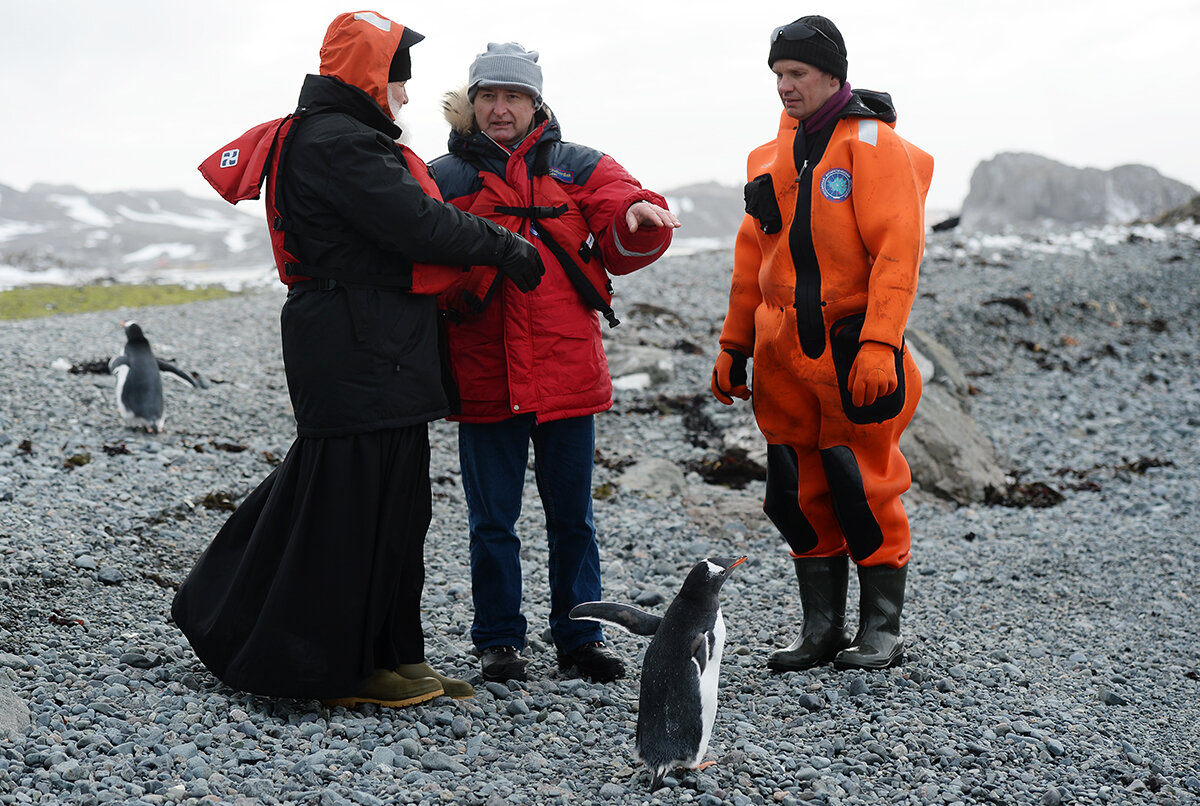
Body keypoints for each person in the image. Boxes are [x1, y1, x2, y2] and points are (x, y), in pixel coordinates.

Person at [172, 11, 544, 708]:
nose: (405, 96)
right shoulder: (337, 140)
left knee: (381, 505)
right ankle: (318, 661)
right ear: (372, 76)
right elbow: (414, 221)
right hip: (356, 341)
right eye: (398, 80)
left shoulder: (337, 135)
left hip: (370, 340)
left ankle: (388, 657)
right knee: (352, 507)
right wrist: (504, 246)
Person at [428, 42, 680, 683]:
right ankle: (498, 641)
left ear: (535, 102)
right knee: (492, 523)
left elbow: (623, 208)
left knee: (573, 519)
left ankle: (580, 638)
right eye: (487, 96)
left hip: (568, 376)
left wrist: (641, 217)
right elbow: (404, 235)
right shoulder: (442, 176)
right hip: (485, 377)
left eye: (512, 96)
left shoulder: (577, 165)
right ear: (472, 103)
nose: (499, 108)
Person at [711, 16, 933, 671]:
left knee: (860, 488)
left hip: (851, 353)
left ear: (833, 75)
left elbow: (899, 253)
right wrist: (734, 346)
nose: (786, 85)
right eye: (778, 75)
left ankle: (882, 630)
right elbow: (751, 258)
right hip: (783, 362)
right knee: (794, 492)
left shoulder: (872, 147)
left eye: (798, 74)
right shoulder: (769, 158)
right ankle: (821, 630)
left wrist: (880, 345)